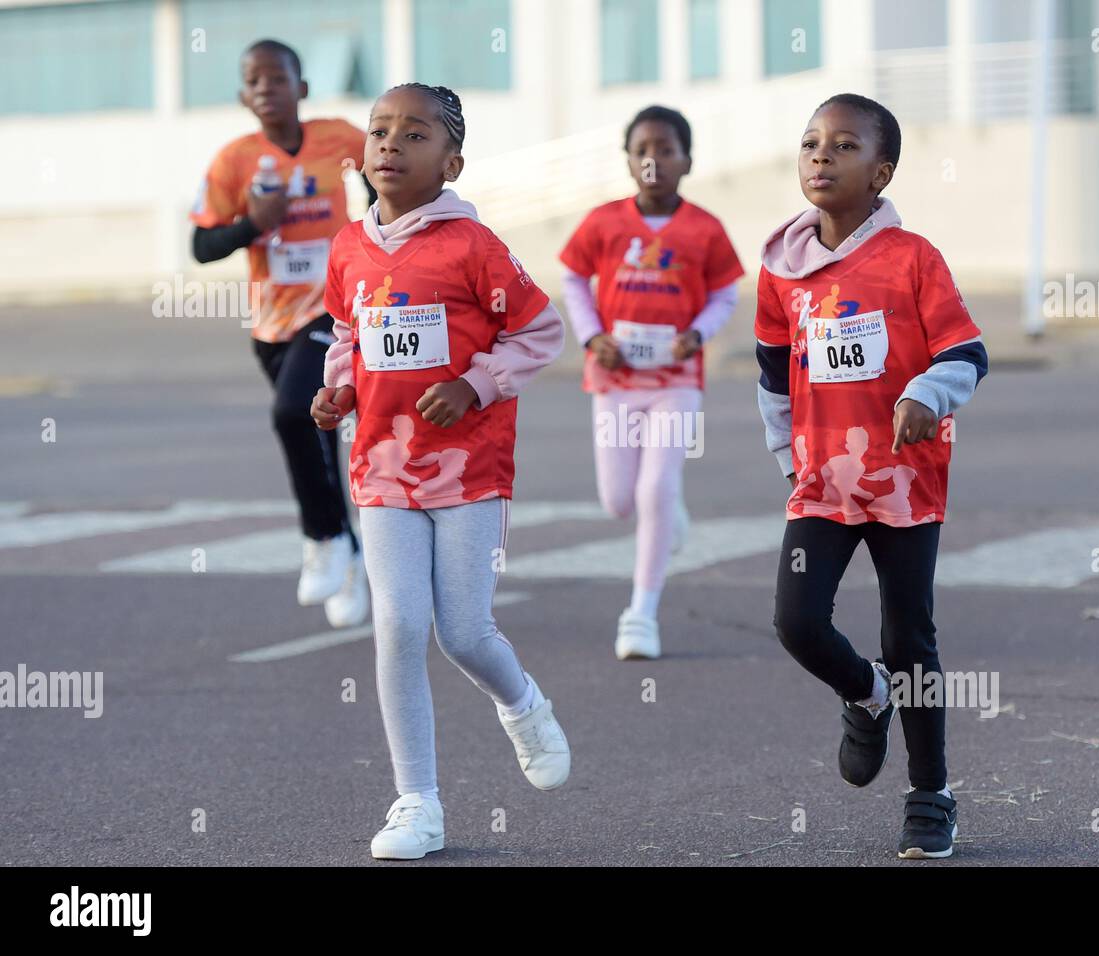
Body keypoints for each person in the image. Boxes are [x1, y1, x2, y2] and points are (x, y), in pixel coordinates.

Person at [311, 83, 571, 860]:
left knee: (462, 632)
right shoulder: (348, 248)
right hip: (382, 469)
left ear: (451, 161)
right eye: (380, 130)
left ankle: (523, 704)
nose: (390, 144)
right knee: (395, 626)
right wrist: (340, 390)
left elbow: (540, 330)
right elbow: (345, 337)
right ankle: (416, 804)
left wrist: (474, 384)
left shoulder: (473, 246)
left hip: (469, 472)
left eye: (414, 134)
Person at [754, 94, 988, 859]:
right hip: (820, 481)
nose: (821, 155)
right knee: (796, 620)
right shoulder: (779, 266)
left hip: (904, 483)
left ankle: (932, 794)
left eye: (844, 146)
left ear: (879, 173)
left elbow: (967, 353)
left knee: (909, 636)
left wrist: (926, 394)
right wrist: (787, 453)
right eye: (811, 142)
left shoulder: (912, 258)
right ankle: (866, 693)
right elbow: (770, 371)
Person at [190, 38, 370, 626]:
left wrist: (376, 229)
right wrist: (252, 225)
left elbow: (384, 182)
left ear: (303, 87)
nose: (267, 87)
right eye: (254, 79)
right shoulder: (233, 161)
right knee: (314, 434)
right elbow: (201, 246)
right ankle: (350, 556)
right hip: (271, 324)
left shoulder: (341, 137)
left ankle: (321, 539)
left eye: (278, 76)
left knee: (291, 414)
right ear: (244, 96)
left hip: (335, 310)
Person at [559, 105, 744, 660]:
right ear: (627, 160)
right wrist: (592, 337)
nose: (653, 161)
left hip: (675, 380)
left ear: (687, 160)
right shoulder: (603, 222)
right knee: (619, 502)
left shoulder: (705, 228)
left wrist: (699, 332)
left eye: (666, 150)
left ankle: (641, 611)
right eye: (642, 150)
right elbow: (572, 277)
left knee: (654, 489)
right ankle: (670, 515)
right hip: (615, 378)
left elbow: (725, 293)